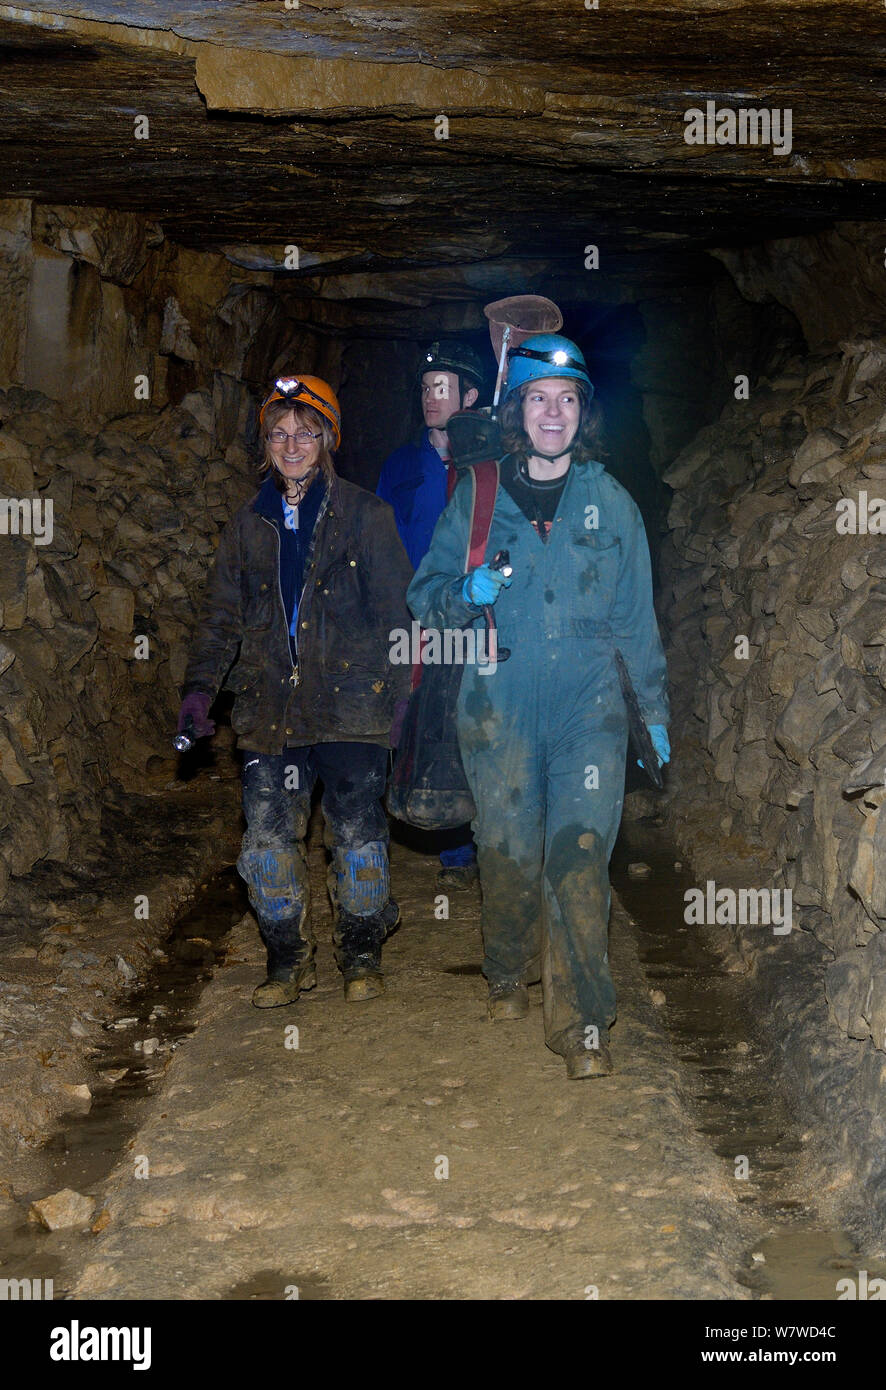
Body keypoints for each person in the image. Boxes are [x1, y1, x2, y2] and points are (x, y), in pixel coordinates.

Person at [407, 334, 670, 1079]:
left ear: (581, 412)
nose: (552, 413)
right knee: (509, 851)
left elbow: (636, 618)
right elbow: (424, 599)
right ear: (517, 411)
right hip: (499, 703)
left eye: (566, 400)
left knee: (579, 859)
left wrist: (653, 711)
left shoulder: (612, 504)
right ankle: (502, 971)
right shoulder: (478, 494)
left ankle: (584, 1025)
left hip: (590, 708)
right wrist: (465, 593)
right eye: (537, 399)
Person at [177, 374, 413, 1007]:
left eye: (306, 433)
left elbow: (399, 615)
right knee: (268, 842)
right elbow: (221, 619)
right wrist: (200, 691)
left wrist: (403, 697)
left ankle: (360, 951)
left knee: (358, 835)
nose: (292, 445)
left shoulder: (367, 515)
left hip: (352, 706)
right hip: (269, 710)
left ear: (327, 439)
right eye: (279, 434)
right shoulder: (247, 526)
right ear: (265, 444)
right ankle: (287, 958)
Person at [377, 339, 484, 892]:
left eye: (440, 387)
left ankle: (474, 839)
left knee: (469, 718)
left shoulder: (490, 462)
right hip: (414, 614)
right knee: (415, 714)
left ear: (469, 395)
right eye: (423, 388)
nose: (429, 397)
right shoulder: (401, 464)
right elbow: (379, 540)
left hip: (474, 614)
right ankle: (433, 830)